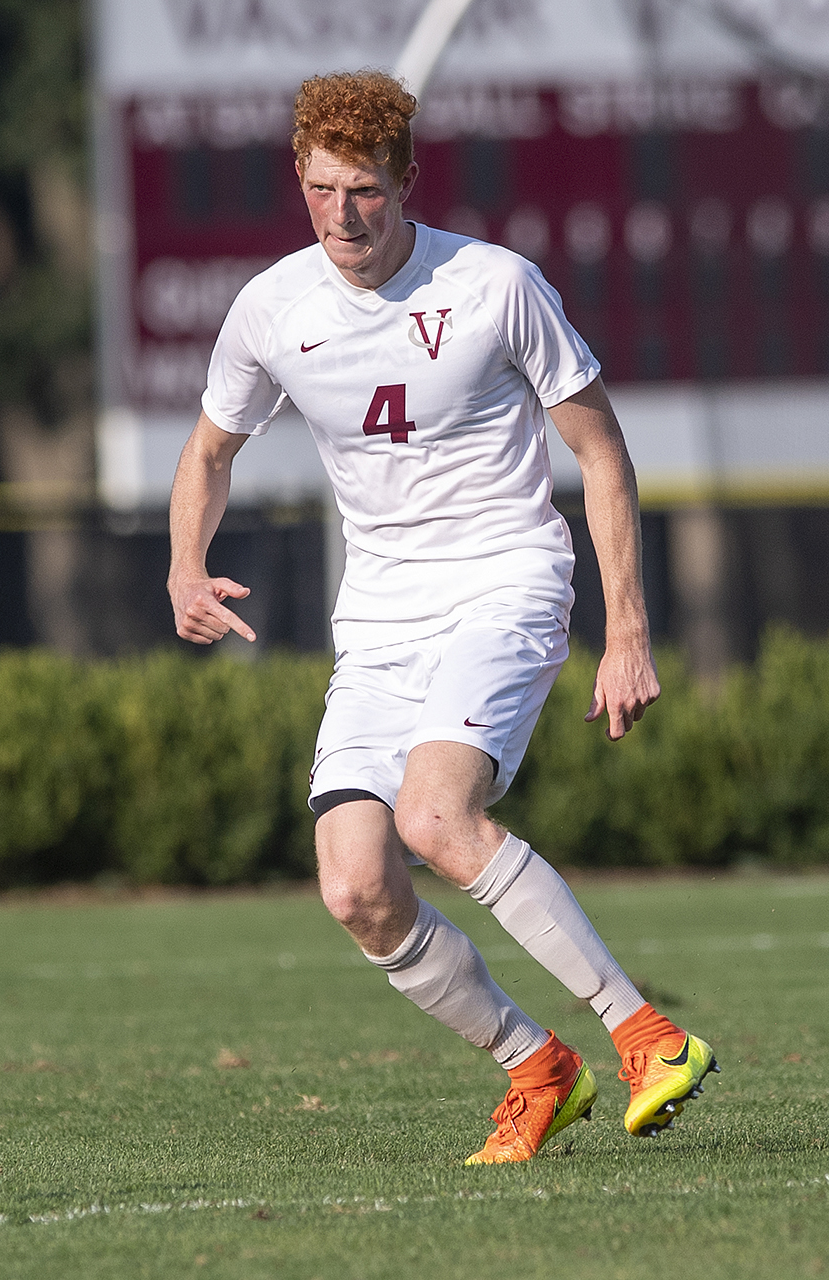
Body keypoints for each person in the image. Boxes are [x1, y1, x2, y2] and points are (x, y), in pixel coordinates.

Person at [166, 70, 716, 1164]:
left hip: (506, 579)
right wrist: (185, 564)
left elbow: (601, 451)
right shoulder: (272, 307)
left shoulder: (496, 284)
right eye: (321, 189)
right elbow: (210, 450)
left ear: (409, 180)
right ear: (300, 180)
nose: (342, 214)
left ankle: (645, 1031)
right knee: (358, 884)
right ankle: (534, 1064)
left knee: (434, 819)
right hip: (378, 620)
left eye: (365, 189)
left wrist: (629, 629)